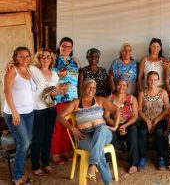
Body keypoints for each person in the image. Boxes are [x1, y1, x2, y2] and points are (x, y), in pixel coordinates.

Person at [56, 79, 120, 185]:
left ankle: (92, 165)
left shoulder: (100, 100)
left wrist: (115, 126)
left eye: (94, 88)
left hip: (104, 134)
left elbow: (116, 110)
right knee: (98, 150)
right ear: (83, 87)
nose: (92, 89)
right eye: (90, 87)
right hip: (84, 136)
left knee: (102, 128)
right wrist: (72, 128)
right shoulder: (76, 103)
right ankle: (108, 182)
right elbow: (60, 117)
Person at [3, 47, 35, 185]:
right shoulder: (12, 70)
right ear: (15, 57)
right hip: (15, 113)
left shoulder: (29, 69)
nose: (25, 58)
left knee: (24, 142)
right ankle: (17, 177)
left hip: (29, 112)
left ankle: (17, 171)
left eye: (27, 56)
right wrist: (14, 112)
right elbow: (7, 92)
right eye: (21, 56)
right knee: (25, 142)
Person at [51, 37, 81, 165]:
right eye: (64, 46)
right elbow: (48, 77)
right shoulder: (53, 60)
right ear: (59, 46)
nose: (66, 49)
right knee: (58, 126)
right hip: (59, 98)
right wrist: (58, 75)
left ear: (72, 49)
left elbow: (77, 79)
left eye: (69, 47)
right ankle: (55, 154)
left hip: (73, 99)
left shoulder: (75, 61)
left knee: (69, 126)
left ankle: (66, 152)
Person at [30, 48, 60, 176]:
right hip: (37, 109)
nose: (46, 59)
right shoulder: (32, 70)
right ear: (38, 58)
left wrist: (58, 92)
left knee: (48, 137)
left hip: (51, 108)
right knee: (38, 137)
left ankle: (46, 163)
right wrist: (10, 65)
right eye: (43, 56)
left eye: (48, 56)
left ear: (51, 59)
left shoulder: (55, 74)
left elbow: (55, 92)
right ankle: (35, 165)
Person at [105, 77, 139, 174]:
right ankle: (106, 161)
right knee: (108, 137)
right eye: (119, 84)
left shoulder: (132, 99)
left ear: (127, 87)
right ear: (116, 85)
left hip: (128, 124)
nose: (121, 87)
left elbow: (135, 116)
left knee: (133, 134)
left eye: (124, 85)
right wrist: (115, 125)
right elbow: (106, 116)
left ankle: (133, 163)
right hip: (112, 123)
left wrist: (125, 125)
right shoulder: (109, 98)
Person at [137, 71, 170, 170]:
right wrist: (147, 121)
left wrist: (156, 120)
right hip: (145, 119)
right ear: (147, 80)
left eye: (155, 79)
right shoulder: (142, 93)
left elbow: (167, 109)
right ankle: (142, 157)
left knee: (159, 131)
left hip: (159, 120)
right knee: (142, 131)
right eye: (150, 79)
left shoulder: (163, 92)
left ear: (158, 80)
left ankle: (160, 157)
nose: (153, 81)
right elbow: (138, 110)